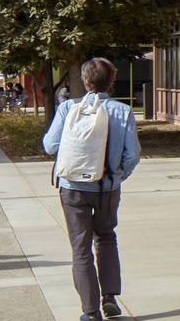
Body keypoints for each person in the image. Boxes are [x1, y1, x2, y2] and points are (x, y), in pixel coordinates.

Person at [41, 58, 141, 321]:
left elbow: (50, 146)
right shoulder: (123, 111)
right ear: (111, 81)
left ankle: (90, 311)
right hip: (106, 188)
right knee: (106, 237)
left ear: (85, 82)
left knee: (81, 248)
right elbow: (132, 155)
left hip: (72, 188)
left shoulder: (68, 108)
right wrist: (117, 176)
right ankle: (110, 297)